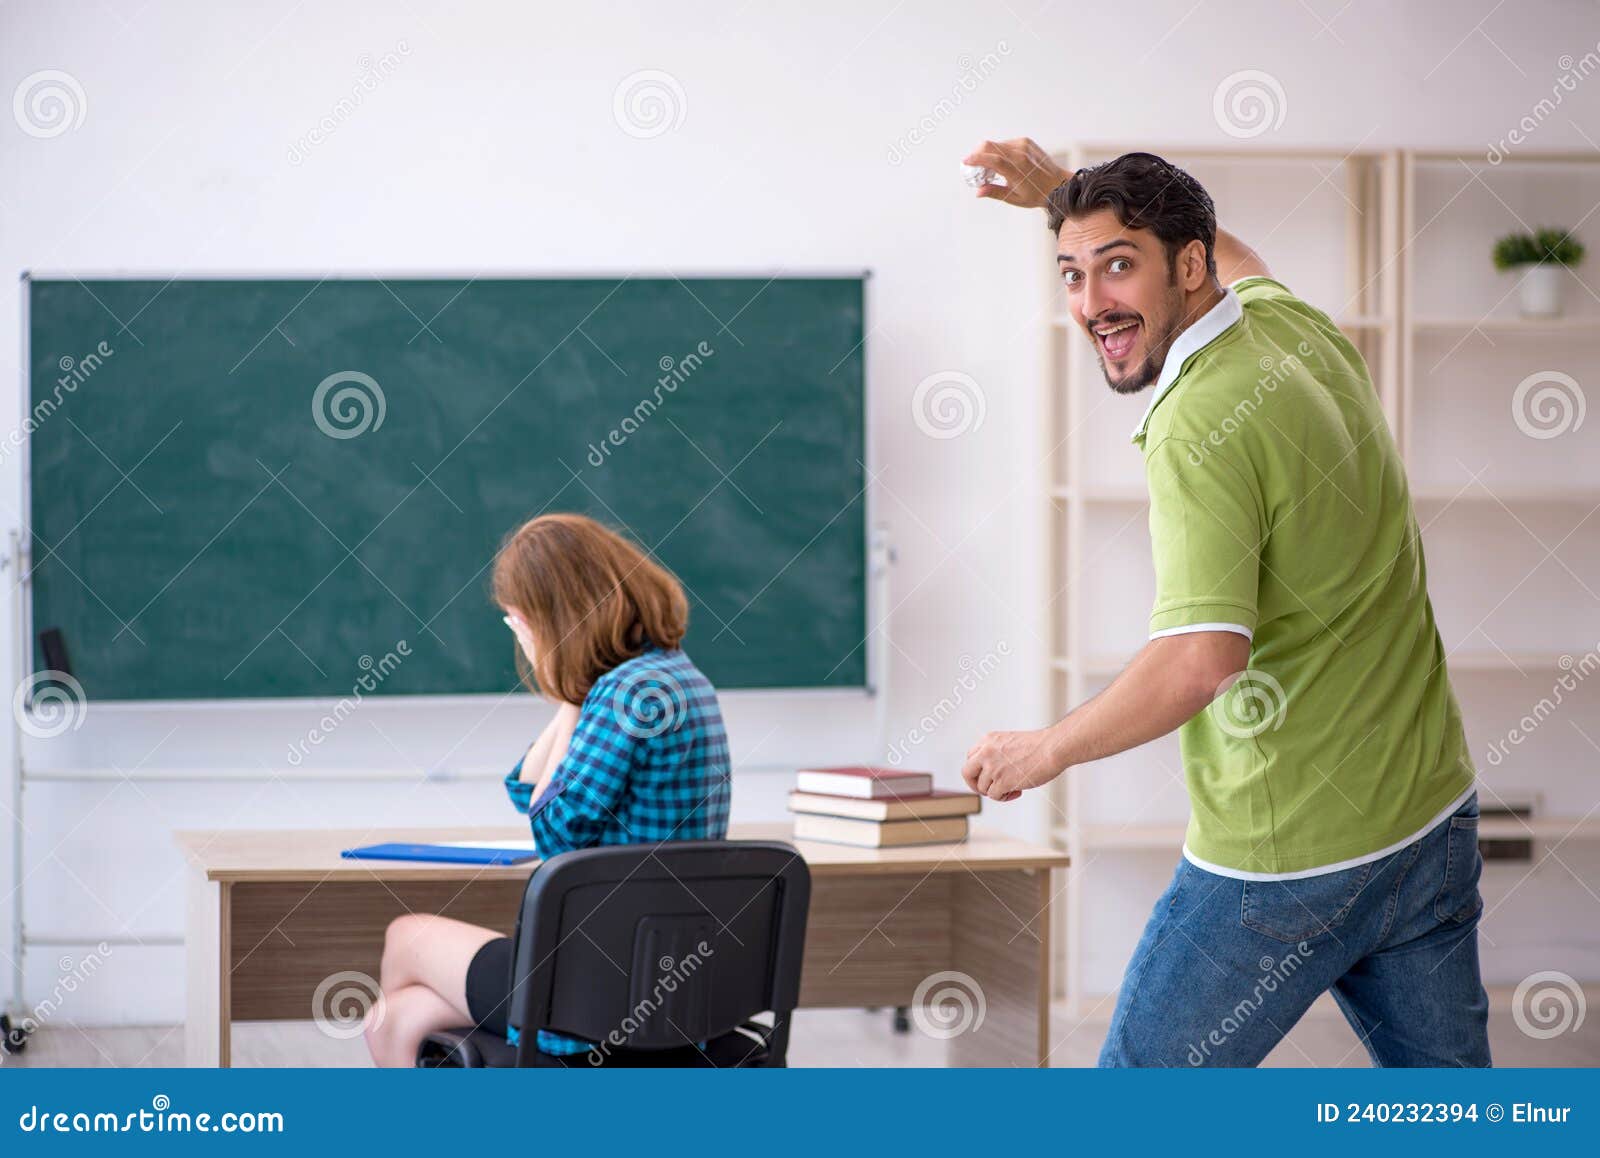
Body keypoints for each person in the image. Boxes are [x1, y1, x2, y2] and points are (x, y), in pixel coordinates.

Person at [959, 139, 1487, 1067]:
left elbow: (1202, 659)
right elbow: (1238, 254)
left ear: (1188, 267)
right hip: (1427, 815)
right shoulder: (1290, 328)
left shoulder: (1199, 419)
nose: (1091, 306)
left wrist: (1041, 750)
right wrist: (1061, 193)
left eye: (1119, 267)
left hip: (1289, 856)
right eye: (1072, 275)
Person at [364, 513, 731, 1066]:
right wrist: (571, 682)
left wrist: (560, 670)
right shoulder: (672, 675)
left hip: (598, 989)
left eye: (523, 624)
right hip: (671, 977)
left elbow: (552, 826)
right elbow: (528, 787)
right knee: (398, 1016)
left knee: (406, 935)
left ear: (553, 619)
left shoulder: (625, 693)